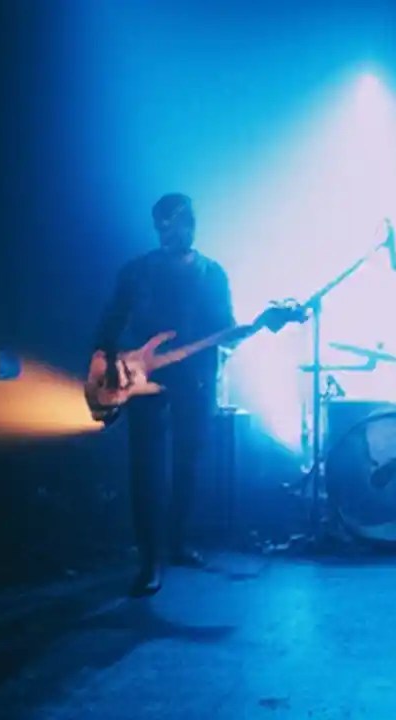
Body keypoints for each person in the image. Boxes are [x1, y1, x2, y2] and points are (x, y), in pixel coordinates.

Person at [93, 193, 235, 597]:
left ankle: (175, 543)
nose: (172, 230)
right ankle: (149, 561)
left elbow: (225, 326)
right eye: (165, 223)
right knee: (148, 469)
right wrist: (104, 369)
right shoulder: (136, 271)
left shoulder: (212, 273)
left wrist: (251, 330)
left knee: (188, 463)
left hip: (195, 379)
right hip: (143, 379)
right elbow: (110, 322)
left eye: (179, 221)